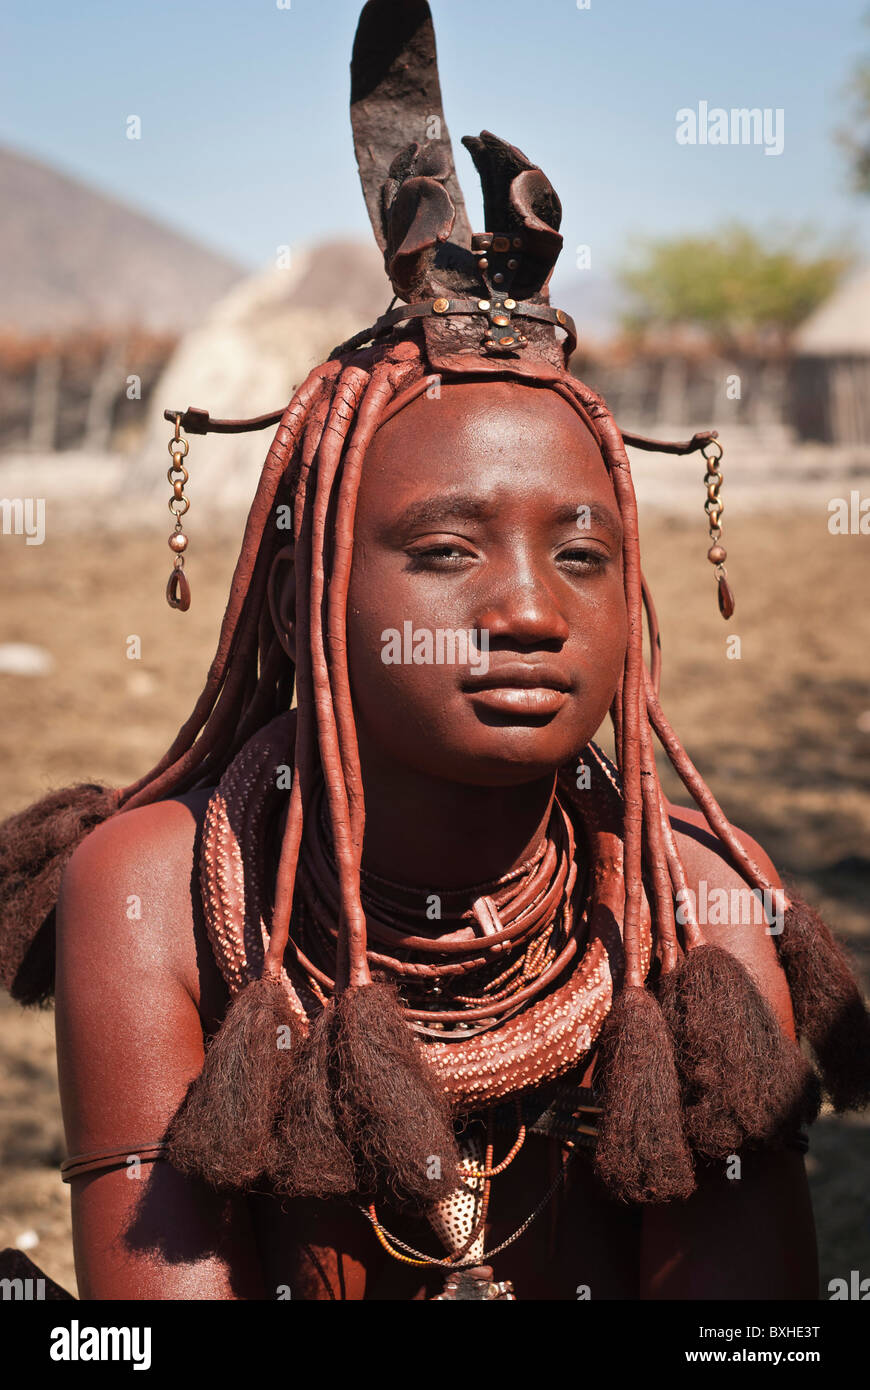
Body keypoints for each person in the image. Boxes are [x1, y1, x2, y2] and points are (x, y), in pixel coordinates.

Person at [1, 0, 867, 1302]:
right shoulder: (160, 894)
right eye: (447, 550)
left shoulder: (691, 910)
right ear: (300, 601)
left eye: (581, 553)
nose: (529, 606)